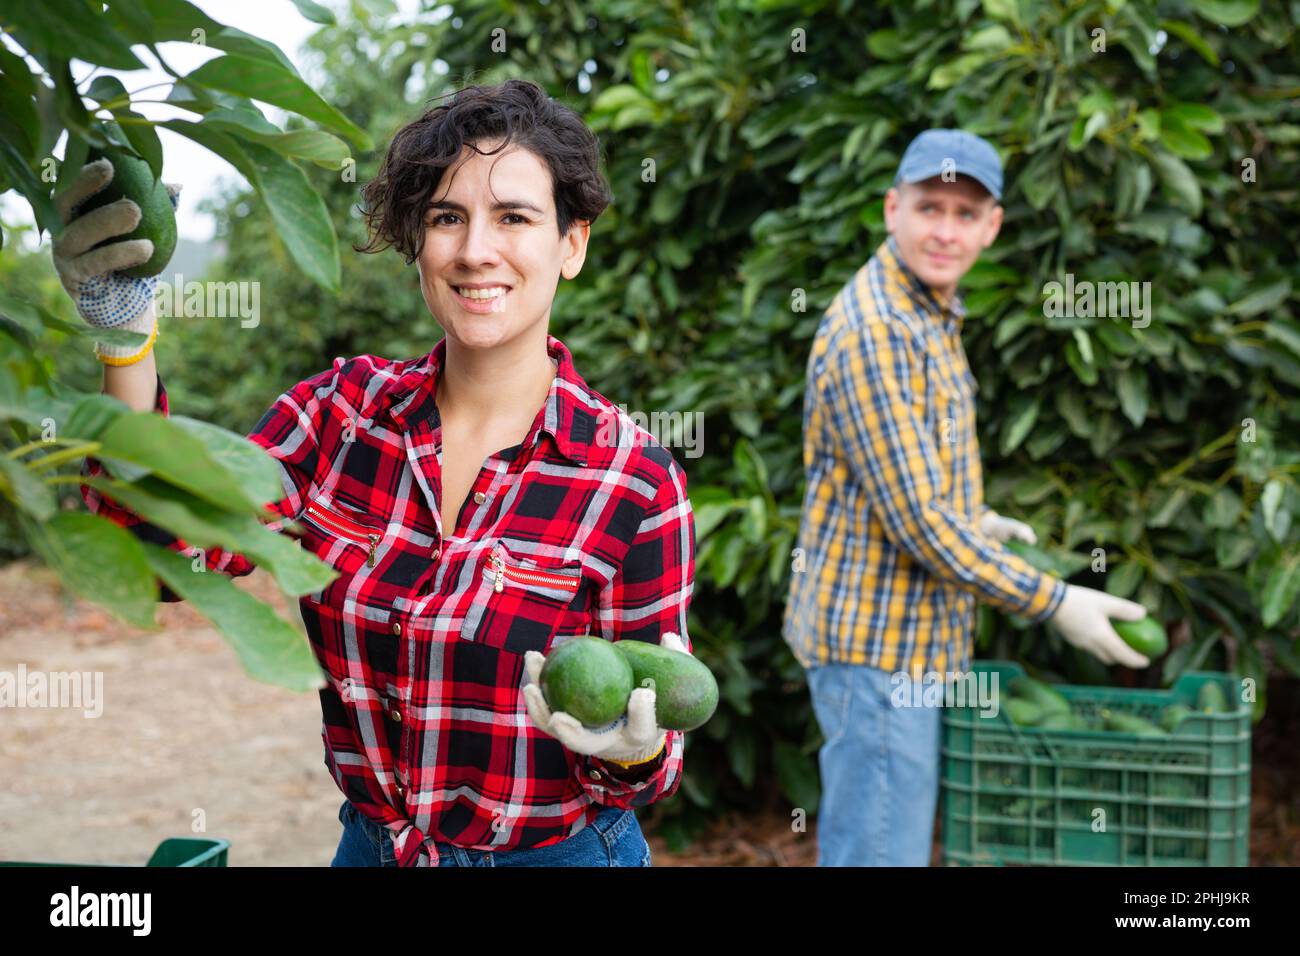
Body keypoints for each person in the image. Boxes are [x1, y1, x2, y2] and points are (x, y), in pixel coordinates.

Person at [58, 79, 696, 867]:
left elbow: (651, 760)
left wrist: (627, 745)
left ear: (572, 244)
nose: (474, 250)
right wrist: (127, 343)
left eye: (514, 218)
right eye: (446, 217)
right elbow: (163, 552)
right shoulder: (340, 415)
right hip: (373, 850)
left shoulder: (632, 480)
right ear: (417, 242)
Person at [783, 128, 1151, 867]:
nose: (945, 230)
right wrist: (1055, 602)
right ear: (893, 209)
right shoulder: (878, 330)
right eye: (930, 208)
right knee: (879, 853)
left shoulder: (927, 310)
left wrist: (977, 519)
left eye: (964, 212)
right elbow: (918, 521)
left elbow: (902, 475)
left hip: (908, 647)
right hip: (880, 652)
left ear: (992, 226)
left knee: (882, 840)